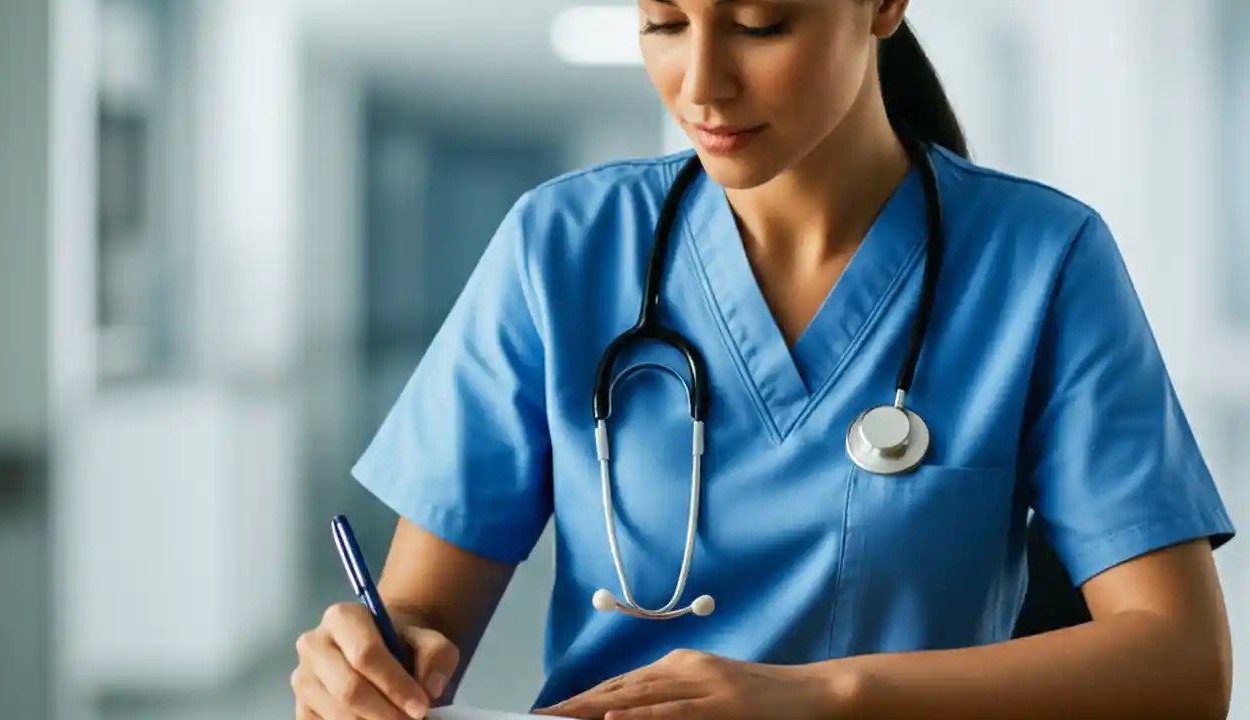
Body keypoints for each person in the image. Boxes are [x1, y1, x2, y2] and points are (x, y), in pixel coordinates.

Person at [291, 1, 1238, 718]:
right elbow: (425, 619)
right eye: (663, 20)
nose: (701, 81)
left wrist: (825, 698)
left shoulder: (1041, 260)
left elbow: (1181, 660)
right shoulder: (564, 247)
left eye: (759, 24)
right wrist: (370, 662)